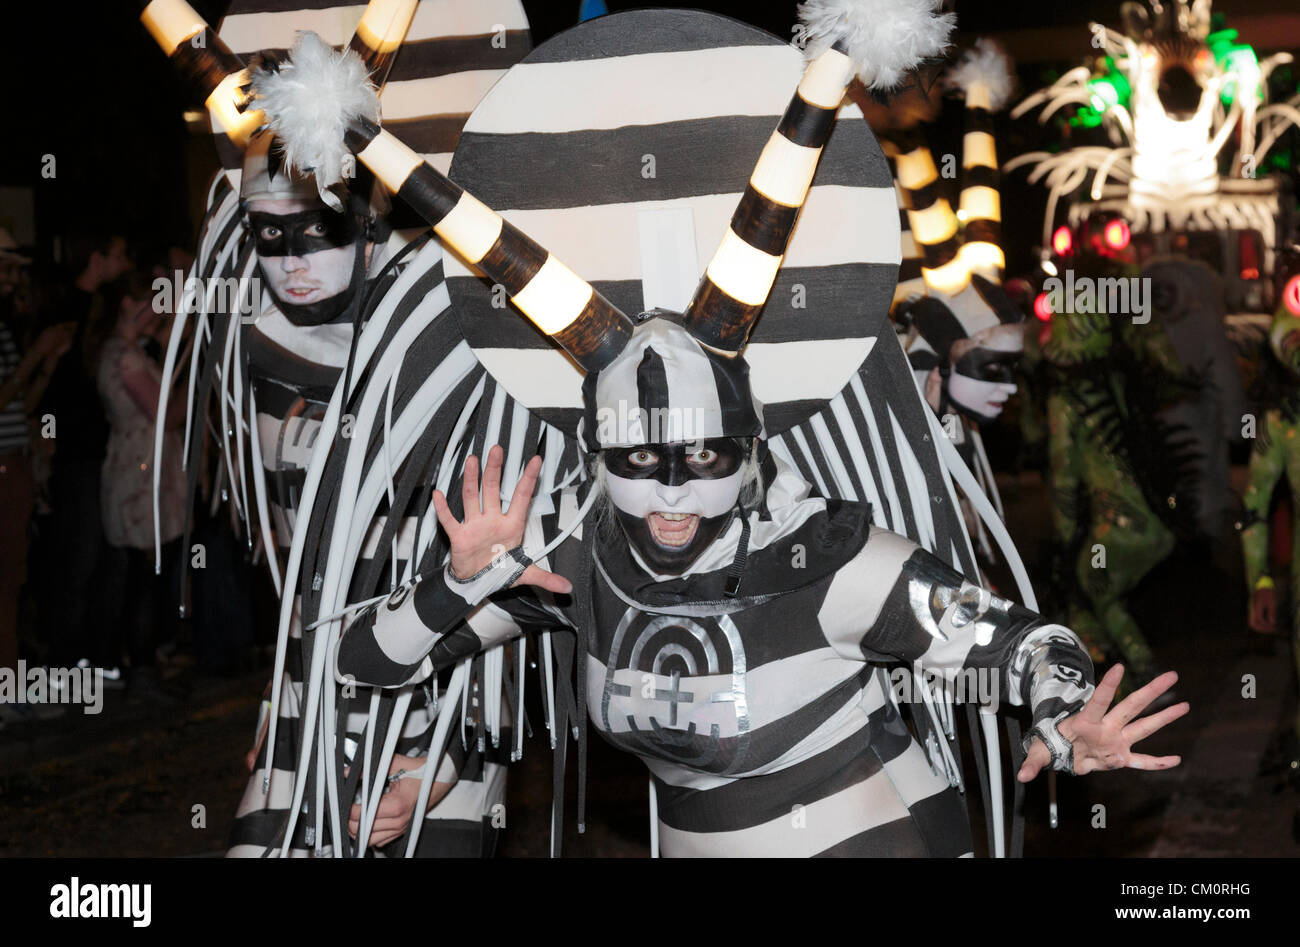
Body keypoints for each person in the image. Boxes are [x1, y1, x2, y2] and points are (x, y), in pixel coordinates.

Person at [251, 11, 1189, 856]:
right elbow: (366, 658)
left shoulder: (825, 554)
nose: (668, 491)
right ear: (596, 451)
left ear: (748, 451)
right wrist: (457, 582)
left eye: (701, 457)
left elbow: (1021, 643)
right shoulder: (576, 556)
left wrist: (1069, 716)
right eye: (636, 459)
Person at [96, 273, 187, 700]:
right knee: (144, 576)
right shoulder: (125, 357)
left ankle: (142, 664)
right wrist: (200, 392)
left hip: (145, 468)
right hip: (141, 475)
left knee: (144, 574)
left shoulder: (129, 351)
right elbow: (164, 413)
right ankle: (141, 670)